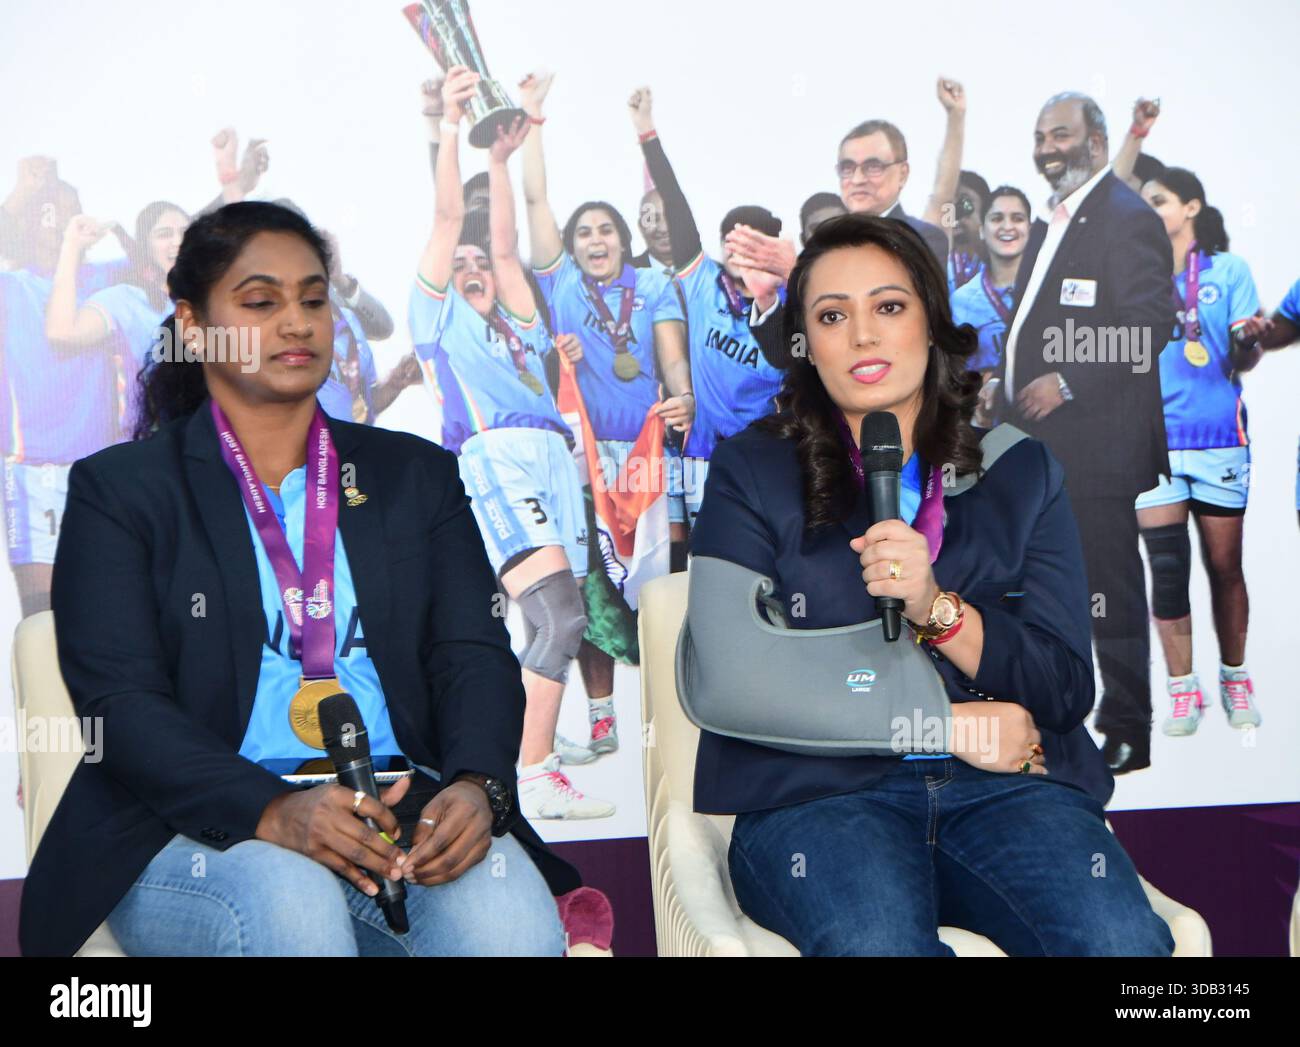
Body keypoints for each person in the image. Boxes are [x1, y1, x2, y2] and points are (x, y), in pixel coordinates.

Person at [19, 200, 581, 957]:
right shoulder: (121, 490)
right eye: (260, 301)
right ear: (192, 323)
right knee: (293, 902)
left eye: (313, 298)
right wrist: (274, 808)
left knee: (508, 923)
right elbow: (119, 706)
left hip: (394, 803)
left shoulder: (413, 475)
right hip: (192, 824)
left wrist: (477, 783)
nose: (297, 321)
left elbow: (470, 653)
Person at [689, 213, 1172, 957]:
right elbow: (726, 679)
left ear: (932, 323)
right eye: (830, 315)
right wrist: (947, 725)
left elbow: (1064, 684)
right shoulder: (751, 469)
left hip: (1004, 793)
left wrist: (937, 608)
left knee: (1121, 943)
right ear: (805, 345)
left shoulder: (1020, 469)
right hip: (816, 800)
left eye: (888, 306)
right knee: (877, 946)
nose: (862, 336)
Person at [409, 67, 610, 819]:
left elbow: (501, 242)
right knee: (557, 614)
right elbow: (447, 221)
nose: (471, 267)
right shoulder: (437, 324)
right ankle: (532, 774)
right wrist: (455, 131)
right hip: (494, 458)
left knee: (557, 622)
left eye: (479, 264)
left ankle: (515, 771)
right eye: (456, 264)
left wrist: (502, 154)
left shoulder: (521, 319)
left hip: (553, 463)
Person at [993, 92, 1176, 774]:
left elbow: (1149, 323)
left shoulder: (1125, 217)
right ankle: (1053, 716)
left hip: (1096, 446)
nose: (1047, 147)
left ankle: (1129, 724)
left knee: (1111, 582)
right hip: (1034, 443)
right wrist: (1003, 381)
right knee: (1043, 585)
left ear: (1097, 141)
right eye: (1040, 135)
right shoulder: (1054, 221)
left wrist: (1066, 378)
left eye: (1060, 134)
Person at [519, 69, 692, 770]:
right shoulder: (559, 285)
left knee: (659, 581)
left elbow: (672, 360)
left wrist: (682, 399)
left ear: (624, 238)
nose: (595, 239)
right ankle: (599, 718)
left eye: (606, 229)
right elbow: (534, 196)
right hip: (583, 461)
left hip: (648, 454)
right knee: (590, 584)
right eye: (583, 231)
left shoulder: (652, 286)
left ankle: (675, 715)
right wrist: (533, 117)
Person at [1135, 168, 1267, 735]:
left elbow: (1245, 355)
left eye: (1159, 202)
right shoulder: (1132, 276)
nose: (1148, 213)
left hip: (1217, 441)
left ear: (1191, 207)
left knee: (1224, 567)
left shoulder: (1229, 270)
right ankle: (1181, 689)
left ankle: (1235, 677)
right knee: (1166, 571)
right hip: (1151, 445)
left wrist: (1247, 340)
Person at [629, 86, 786, 535]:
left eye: (753, 242)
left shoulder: (792, 304)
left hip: (762, 459)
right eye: (731, 241)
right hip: (700, 456)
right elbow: (677, 208)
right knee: (705, 566)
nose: (740, 252)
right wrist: (647, 134)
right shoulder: (701, 281)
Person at [45, 201, 190, 440]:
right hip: (151, 449)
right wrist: (72, 246)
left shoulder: (214, 301)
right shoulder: (127, 301)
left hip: (208, 448)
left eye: (186, 232)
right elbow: (62, 332)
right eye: (164, 234)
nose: (178, 241)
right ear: (146, 247)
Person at [949, 186, 1032, 419]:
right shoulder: (962, 301)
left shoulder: (1047, 292)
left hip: (1037, 418)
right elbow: (953, 374)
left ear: (1030, 228)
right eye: (997, 218)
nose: (1007, 226)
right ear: (982, 230)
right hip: (982, 423)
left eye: (1017, 218)